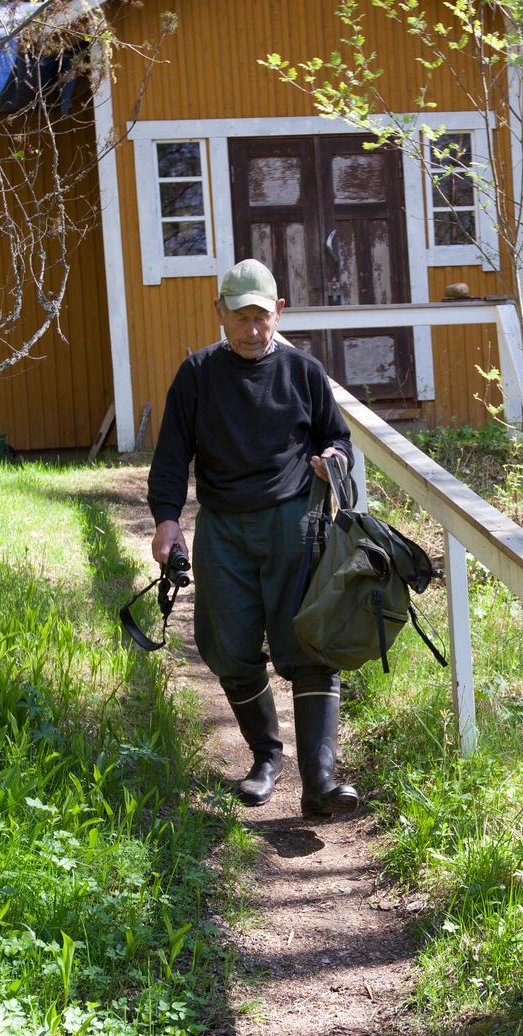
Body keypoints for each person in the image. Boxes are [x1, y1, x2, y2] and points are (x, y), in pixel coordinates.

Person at [147, 259, 359, 817]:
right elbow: (171, 457)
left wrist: (333, 459)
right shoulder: (197, 375)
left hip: (295, 525)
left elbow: (338, 438)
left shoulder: (303, 372)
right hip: (223, 529)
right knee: (230, 648)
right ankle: (266, 757)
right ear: (219, 312)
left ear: (279, 312)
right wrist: (167, 520)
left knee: (309, 644)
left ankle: (320, 782)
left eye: (261, 317)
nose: (252, 329)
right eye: (240, 317)